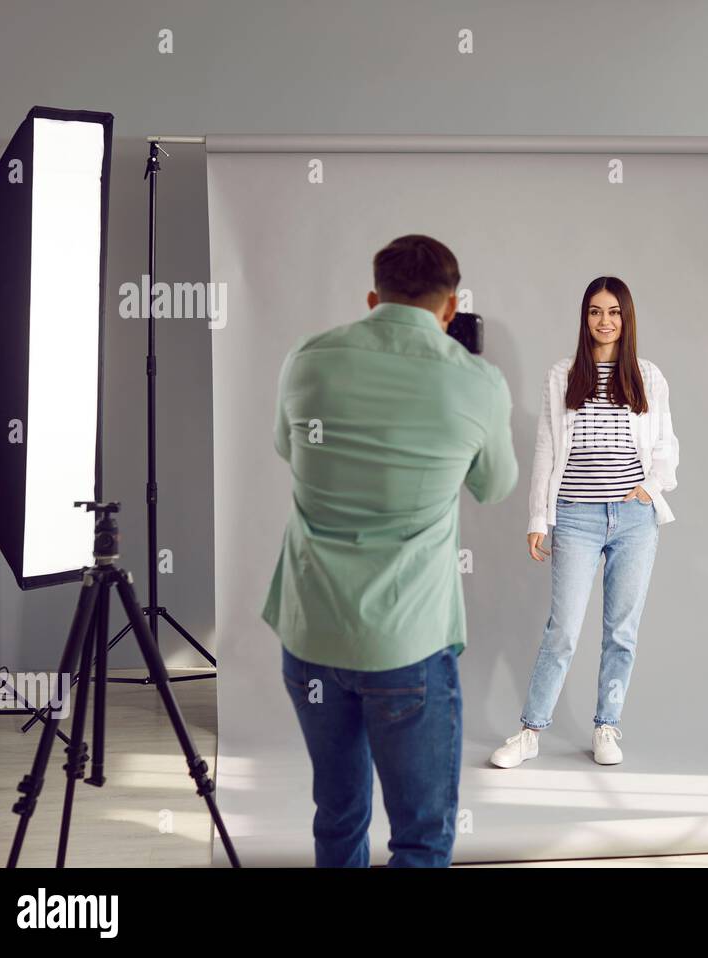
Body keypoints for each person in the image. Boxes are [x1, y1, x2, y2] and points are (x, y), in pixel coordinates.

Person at [264, 235, 517, 866]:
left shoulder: (307, 359)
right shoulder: (477, 382)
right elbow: (496, 487)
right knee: (421, 834)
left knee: (338, 812)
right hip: (407, 646)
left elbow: (288, 449)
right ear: (451, 308)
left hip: (313, 636)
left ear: (373, 297)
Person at [491, 276, 678, 769]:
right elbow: (547, 448)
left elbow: (666, 447)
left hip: (635, 520)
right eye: (595, 311)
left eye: (613, 311)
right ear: (584, 317)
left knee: (622, 631)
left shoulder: (648, 376)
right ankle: (531, 731)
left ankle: (606, 726)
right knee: (564, 629)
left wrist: (650, 490)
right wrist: (538, 517)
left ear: (627, 317)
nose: (604, 321)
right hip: (575, 516)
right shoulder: (562, 375)